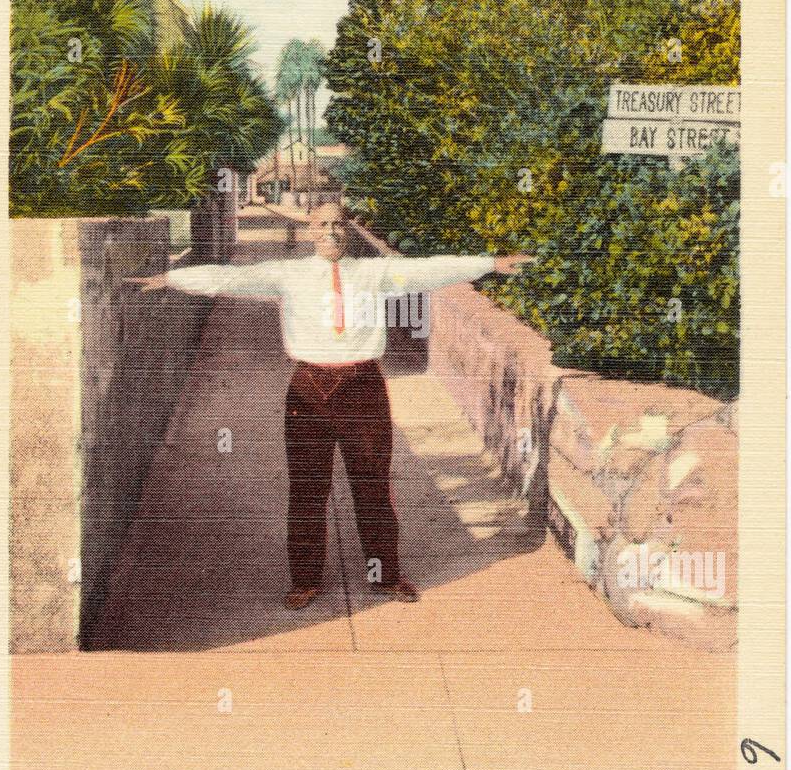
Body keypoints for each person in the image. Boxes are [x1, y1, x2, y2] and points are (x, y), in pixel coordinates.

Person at [137, 204, 533, 609]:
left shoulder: (375, 274)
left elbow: (429, 269)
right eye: (322, 224)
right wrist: (172, 277)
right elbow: (229, 278)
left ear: (347, 230)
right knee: (308, 489)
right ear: (311, 230)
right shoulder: (287, 274)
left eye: (338, 224)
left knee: (373, 488)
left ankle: (386, 576)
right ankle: (305, 580)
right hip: (308, 389)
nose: (330, 231)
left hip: (363, 388)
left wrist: (490, 263)